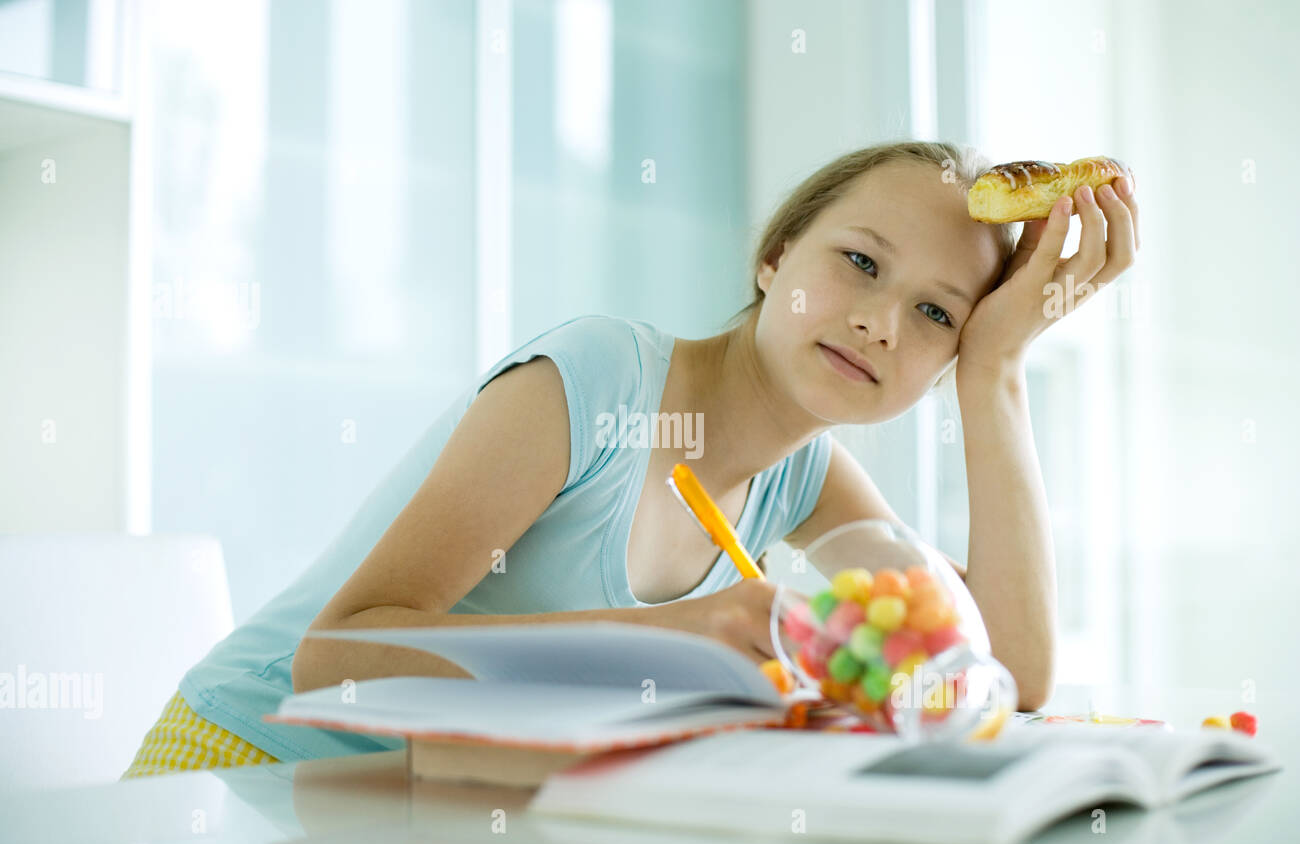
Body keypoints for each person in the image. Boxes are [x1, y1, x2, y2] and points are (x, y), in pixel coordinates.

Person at [121, 139, 1139, 777]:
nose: (880, 322)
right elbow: (332, 660)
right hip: (243, 771)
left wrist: (996, 375)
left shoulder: (801, 472)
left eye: (934, 315)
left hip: (411, 805)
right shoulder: (600, 379)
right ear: (775, 256)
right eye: (859, 263)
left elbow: (1001, 667)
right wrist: (672, 643)